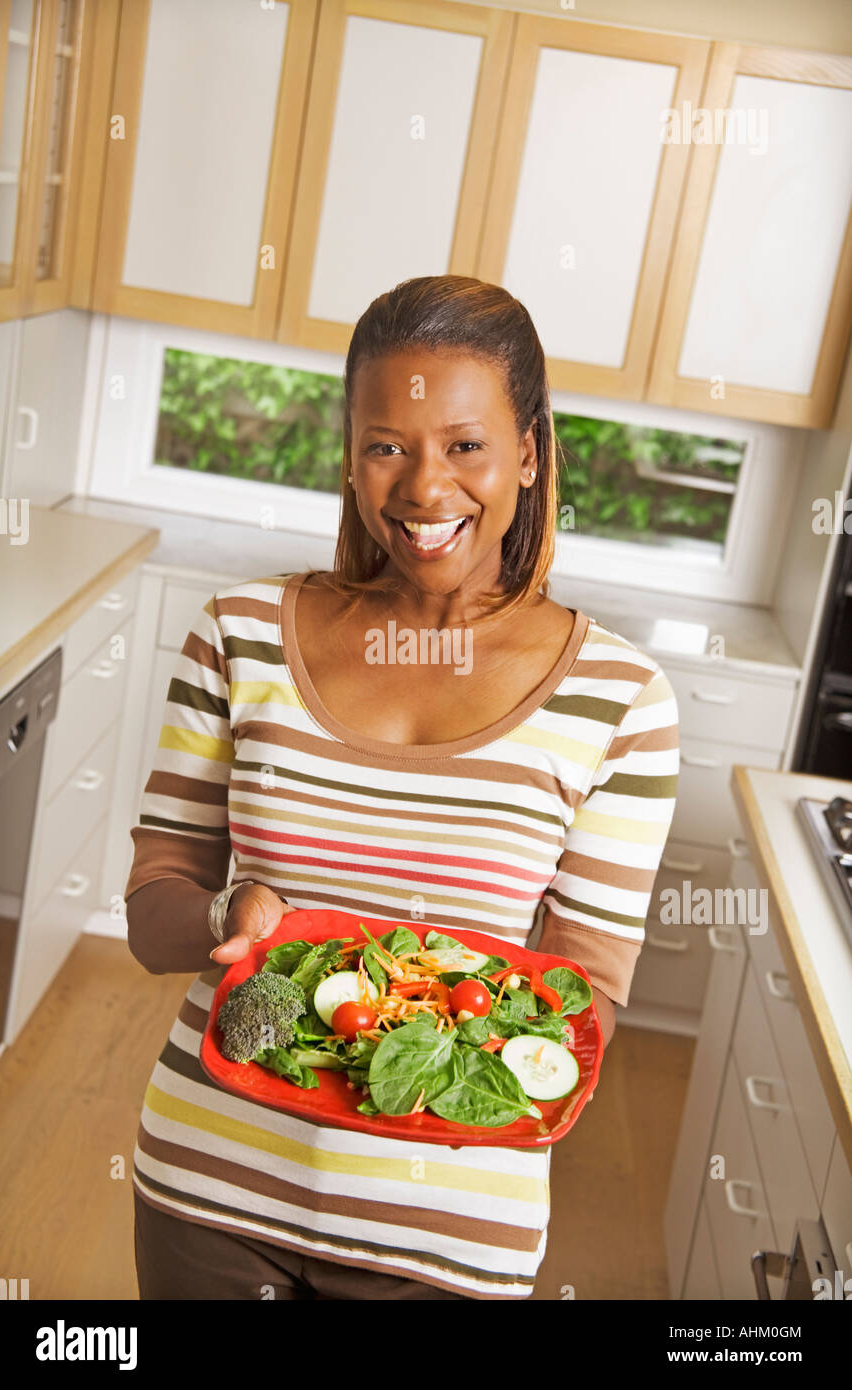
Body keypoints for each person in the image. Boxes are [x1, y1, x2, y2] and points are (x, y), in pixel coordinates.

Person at [125, 274, 679, 1300]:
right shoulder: (240, 631)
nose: (424, 489)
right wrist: (227, 911)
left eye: (464, 445)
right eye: (387, 445)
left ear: (526, 451)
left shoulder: (621, 701)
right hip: (209, 1187)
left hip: (448, 1238)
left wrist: (432, 1031)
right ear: (349, 458)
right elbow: (153, 906)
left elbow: (582, 997)